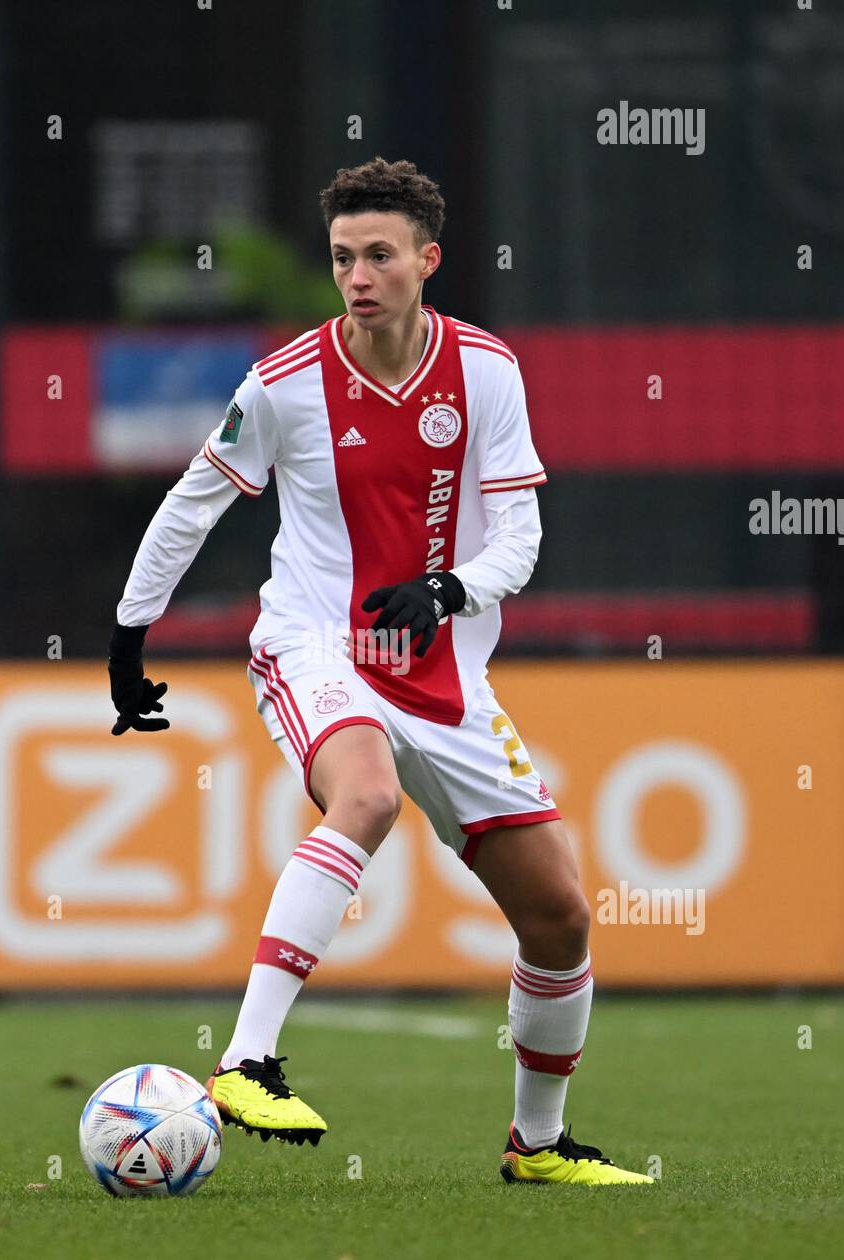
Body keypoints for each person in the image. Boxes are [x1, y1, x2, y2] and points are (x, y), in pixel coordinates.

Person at [108, 156, 652, 1186]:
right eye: (343, 257)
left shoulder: (485, 371)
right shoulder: (282, 384)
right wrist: (129, 638)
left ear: (426, 260)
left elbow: (521, 541)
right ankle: (244, 1060)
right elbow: (192, 504)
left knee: (560, 914)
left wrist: (447, 591)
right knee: (364, 795)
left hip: (444, 675)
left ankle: (537, 1144)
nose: (357, 276)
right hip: (316, 643)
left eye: (378, 255)